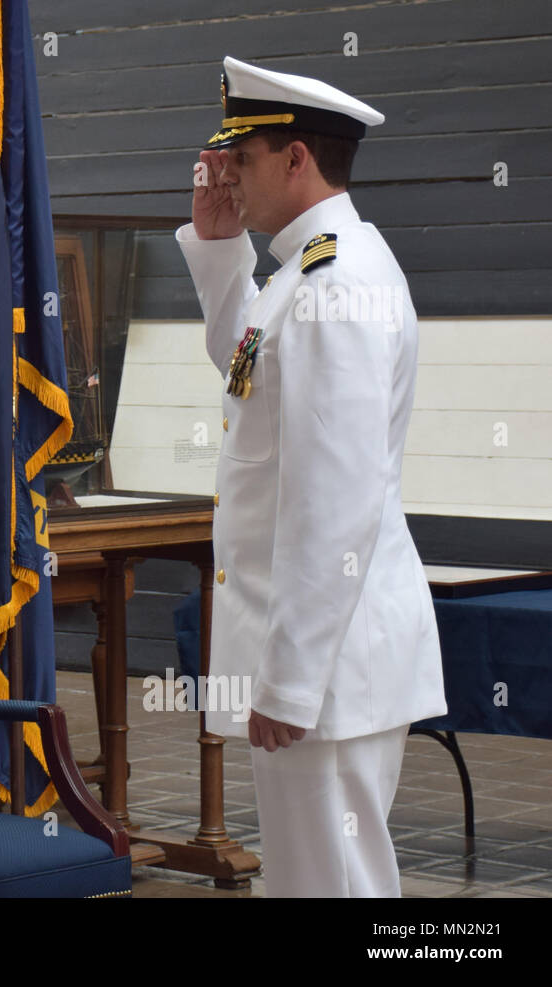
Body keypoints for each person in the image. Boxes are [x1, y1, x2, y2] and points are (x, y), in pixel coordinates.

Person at [176, 56, 447, 897]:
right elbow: (248, 370)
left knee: (335, 885)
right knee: (310, 880)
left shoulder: (339, 283)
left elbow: (337, 500)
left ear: (296, 159)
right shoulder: (309, 269)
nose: (227, 173)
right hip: (319, 657)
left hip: (327, 664)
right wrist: (222, 250)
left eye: (243, 158)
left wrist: (289, 679)